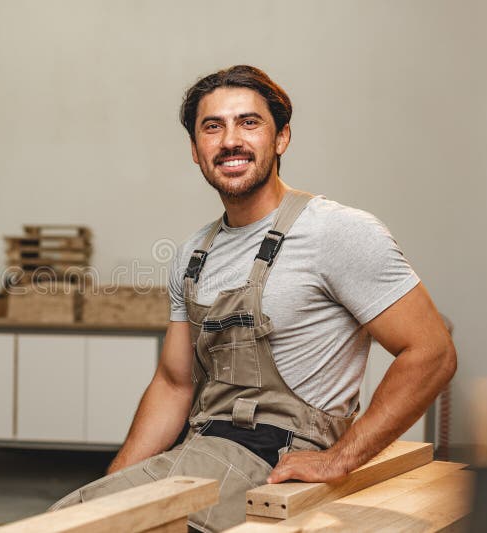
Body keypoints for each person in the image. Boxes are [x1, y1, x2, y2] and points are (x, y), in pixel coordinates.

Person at [50, 65, 456, 532]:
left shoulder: (336, 231)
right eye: (212, 126)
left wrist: (338, 459)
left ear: (281, 137)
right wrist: (118, 488)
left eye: (249, 122)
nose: (230, 140)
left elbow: (432, 353)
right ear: (195, 150)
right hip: (203, 449)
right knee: (76, 521)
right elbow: (173, 383)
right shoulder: (192, 254)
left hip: (276, 460)